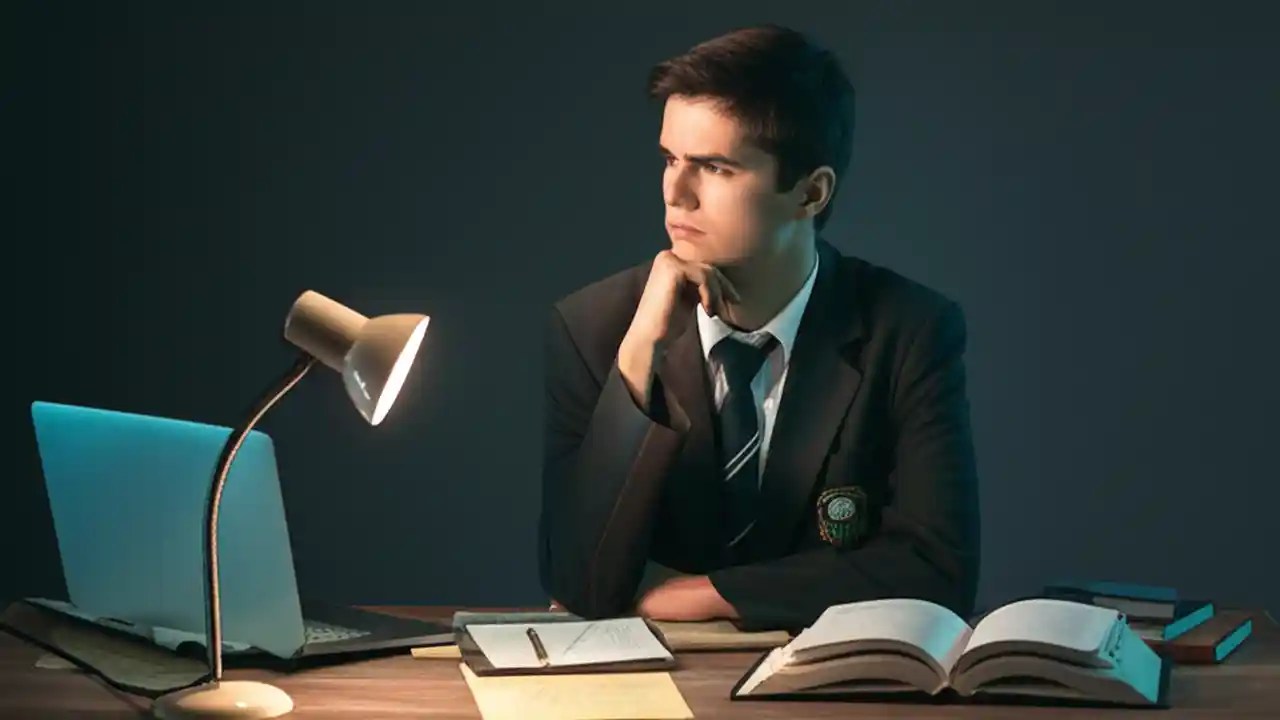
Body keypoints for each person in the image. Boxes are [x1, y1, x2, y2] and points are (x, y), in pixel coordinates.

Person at [537, 24, 980, 632]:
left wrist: (710, 593)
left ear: (810, 193)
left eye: (715, 167)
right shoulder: (591, 327)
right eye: (670, 159)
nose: (676, 193)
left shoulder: (908, 330)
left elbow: (937, 569)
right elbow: (576, 582)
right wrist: (637, 365)